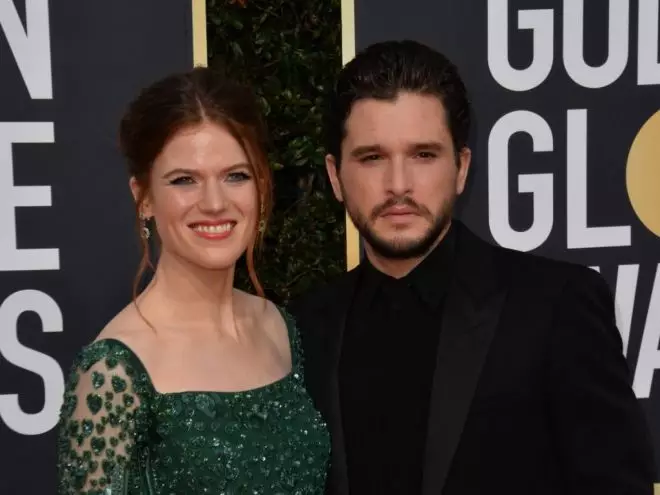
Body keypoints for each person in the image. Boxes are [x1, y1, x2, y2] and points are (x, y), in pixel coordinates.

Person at [289, 40, 655, 495]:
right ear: (334, 176)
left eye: (424, 155)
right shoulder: (306, 327)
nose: (398, 184)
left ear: (461, 167)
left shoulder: (557, 306)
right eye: (372, 157)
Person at [56, 67, 329, 494]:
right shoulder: (113, 372)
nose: (215, 203)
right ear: (143, 197)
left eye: (235, 176)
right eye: (185, 180)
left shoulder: (279, 326)